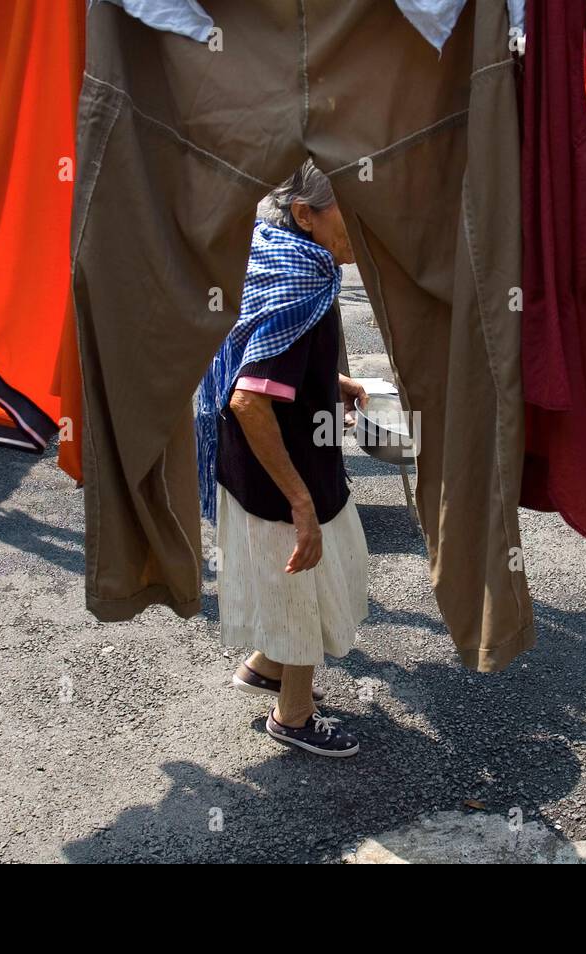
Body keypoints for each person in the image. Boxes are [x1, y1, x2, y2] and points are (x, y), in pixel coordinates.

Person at [196, 160, 370, 758]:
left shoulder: (279, 253)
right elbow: (249, 397)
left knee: (294, 577)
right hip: (280, 471)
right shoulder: (299, 280)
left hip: (268, 460)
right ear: (305, 215)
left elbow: (264, 356)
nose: (365, 227)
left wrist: (331, 379)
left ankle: (264, 665)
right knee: (305, 588)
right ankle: (292, 716)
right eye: (352, 214)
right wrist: (299, 501)